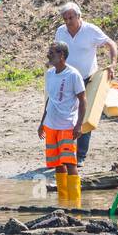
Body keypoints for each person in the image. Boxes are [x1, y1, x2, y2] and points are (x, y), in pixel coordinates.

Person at [53, 2, 116, 168]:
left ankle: (80, 155)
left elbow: (111, 44)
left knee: (85, 116)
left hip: (87, 78)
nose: (68, 21)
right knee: (65, 116)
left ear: (79, 16)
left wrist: (113, 64)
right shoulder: (61, 31)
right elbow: (56, 51)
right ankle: (65, 153)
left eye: (71, 17)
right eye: (65, 18)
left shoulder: (90, 30)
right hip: (67, 79)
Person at [38, 40, 86, 204]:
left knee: (69, 162)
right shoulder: (50, 74)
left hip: (67, 125)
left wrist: (79, 124)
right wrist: (41, 123)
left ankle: (76, 204)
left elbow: (83, 100)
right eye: (49, 52)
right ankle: (63, 202)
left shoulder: (73, 74)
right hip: (51, 125)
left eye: (52, 53)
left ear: (62, 55)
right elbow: (49, 99)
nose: (48, 55)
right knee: (57, 163)